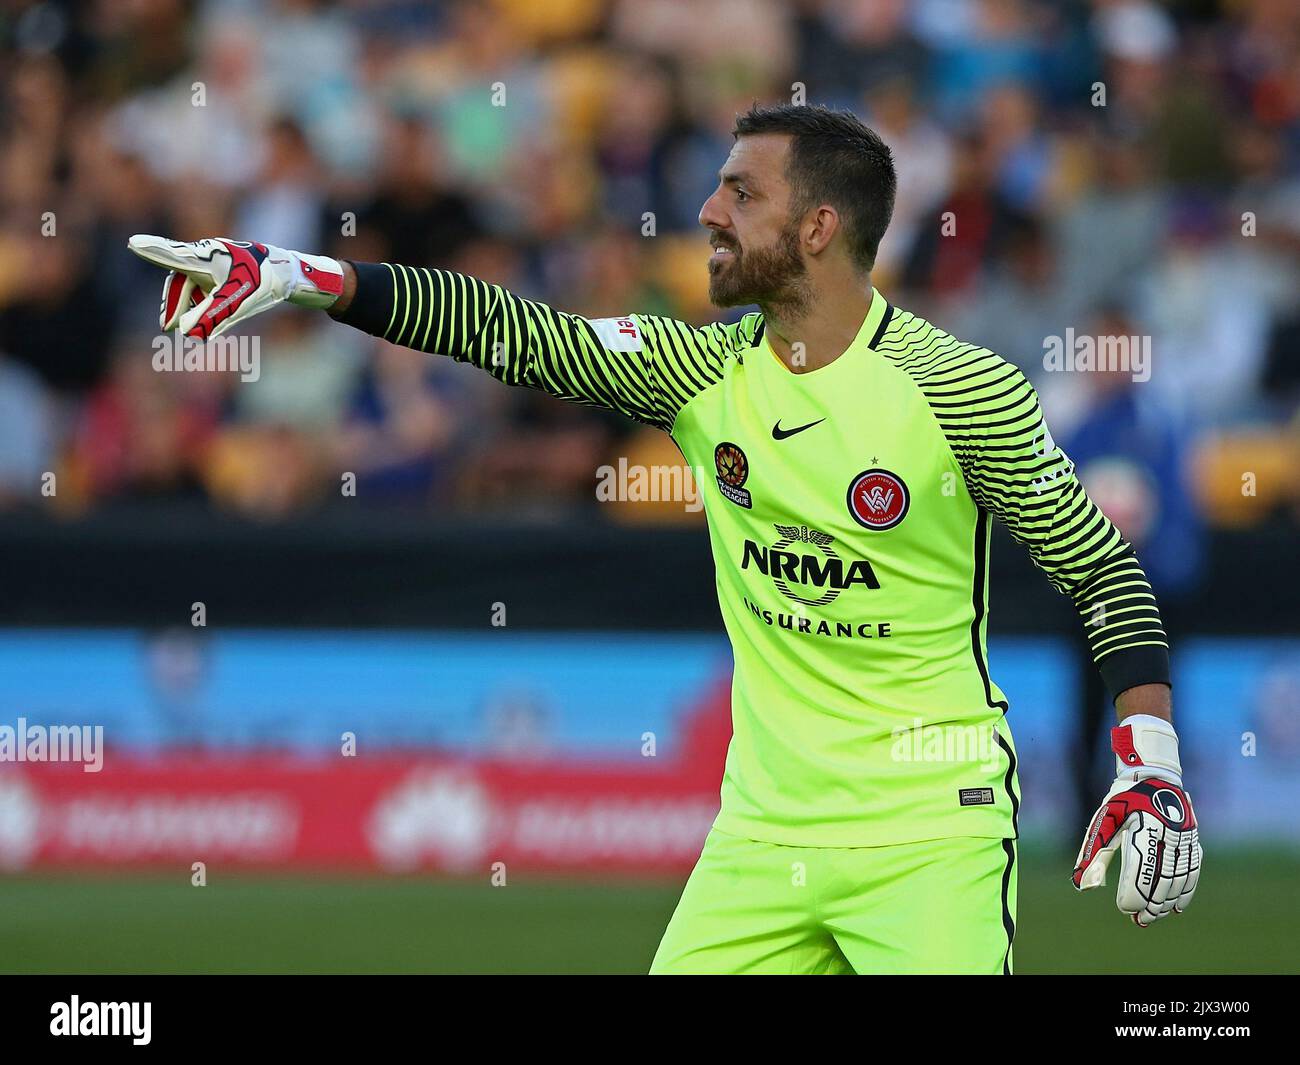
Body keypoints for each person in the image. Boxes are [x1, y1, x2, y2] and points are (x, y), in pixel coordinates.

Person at [128, 103, 1200, 975]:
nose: (705, 210)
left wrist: (1147, 760)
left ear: (818, 228)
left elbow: (1102, 571)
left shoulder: (960, 387)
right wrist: (310, 279)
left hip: (930, 828)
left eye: (741, 192)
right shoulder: (701, 370)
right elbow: (515, 332)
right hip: (760, 837)